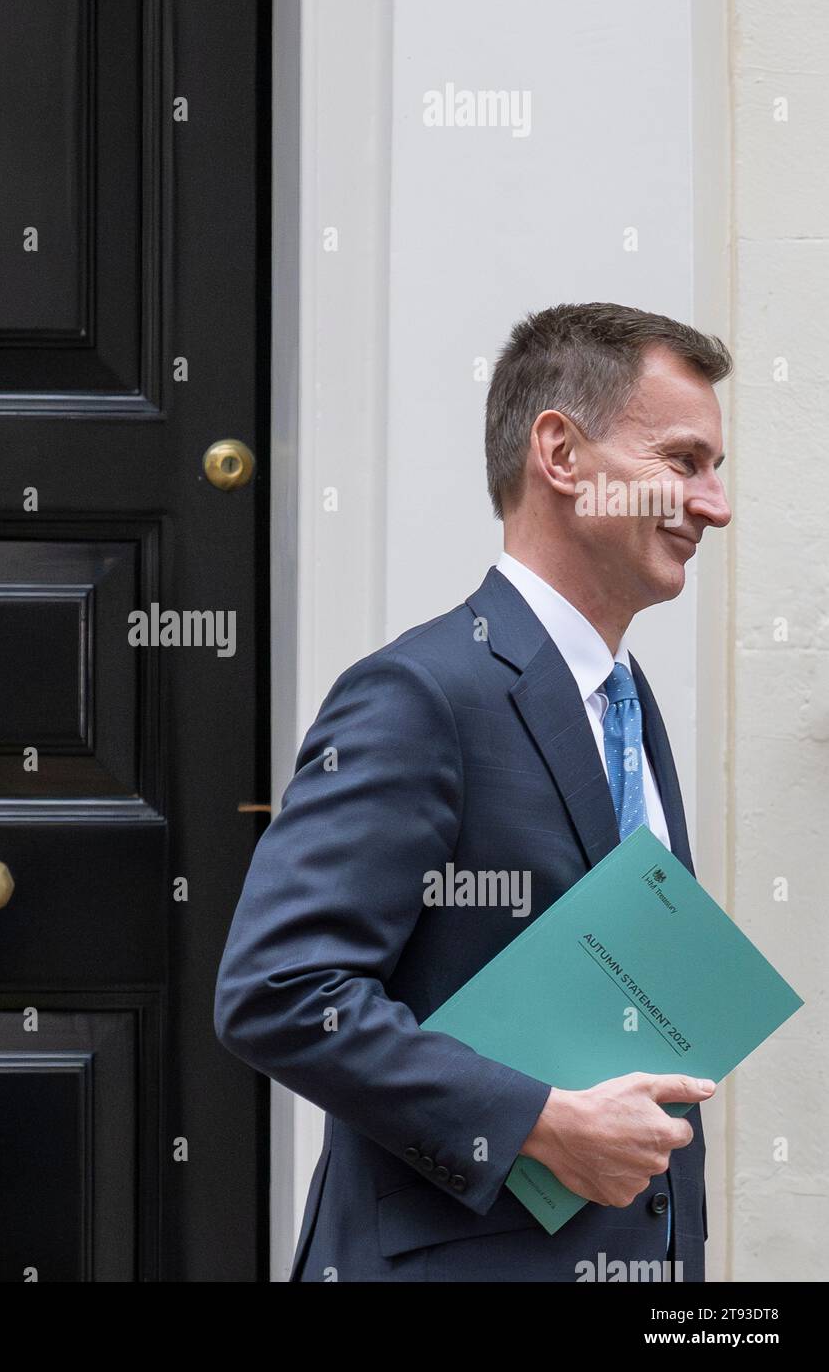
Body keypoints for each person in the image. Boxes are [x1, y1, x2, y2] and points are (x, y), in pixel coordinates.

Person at [214, 302, 733, 1281]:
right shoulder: (420, 693)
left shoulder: (627, 700)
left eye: (715, 469)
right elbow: (277, 992)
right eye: (682, 460)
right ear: (560, 453)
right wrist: (536, 1122)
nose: (714, 503)